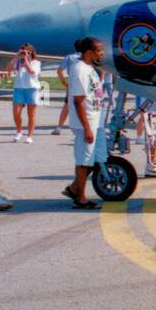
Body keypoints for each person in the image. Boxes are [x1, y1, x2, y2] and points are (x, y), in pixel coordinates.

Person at [63, 37, 105, 209]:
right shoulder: (79, 69)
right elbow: (78, 101)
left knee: (97, 158)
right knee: (84, 160)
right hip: (85, 123)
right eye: (99, 50)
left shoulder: (90, 67)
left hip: (97, 120)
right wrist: (87, 128)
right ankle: (80, 198)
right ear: (89, 52)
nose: (102, 53)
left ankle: (74, 188)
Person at [7, 44, 41, 143]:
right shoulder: (18, 61)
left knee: (31, 114)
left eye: (27, 51)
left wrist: (26, 59)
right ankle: (19, 131)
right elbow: (8, 69)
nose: (24, 53)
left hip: (32, 88)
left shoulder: (36, 62)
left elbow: (31, 71)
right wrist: (16, 57)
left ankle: (30, 135)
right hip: (19, 88)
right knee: (16, 113)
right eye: (23, 51)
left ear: (32, 52)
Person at [53, 40, 85, 135]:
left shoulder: (70, 57)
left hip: (73, 83)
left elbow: (59, 70)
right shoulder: (86, 57)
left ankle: (59, 127)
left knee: (67, 105)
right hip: (84, 82)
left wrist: (64, 82)